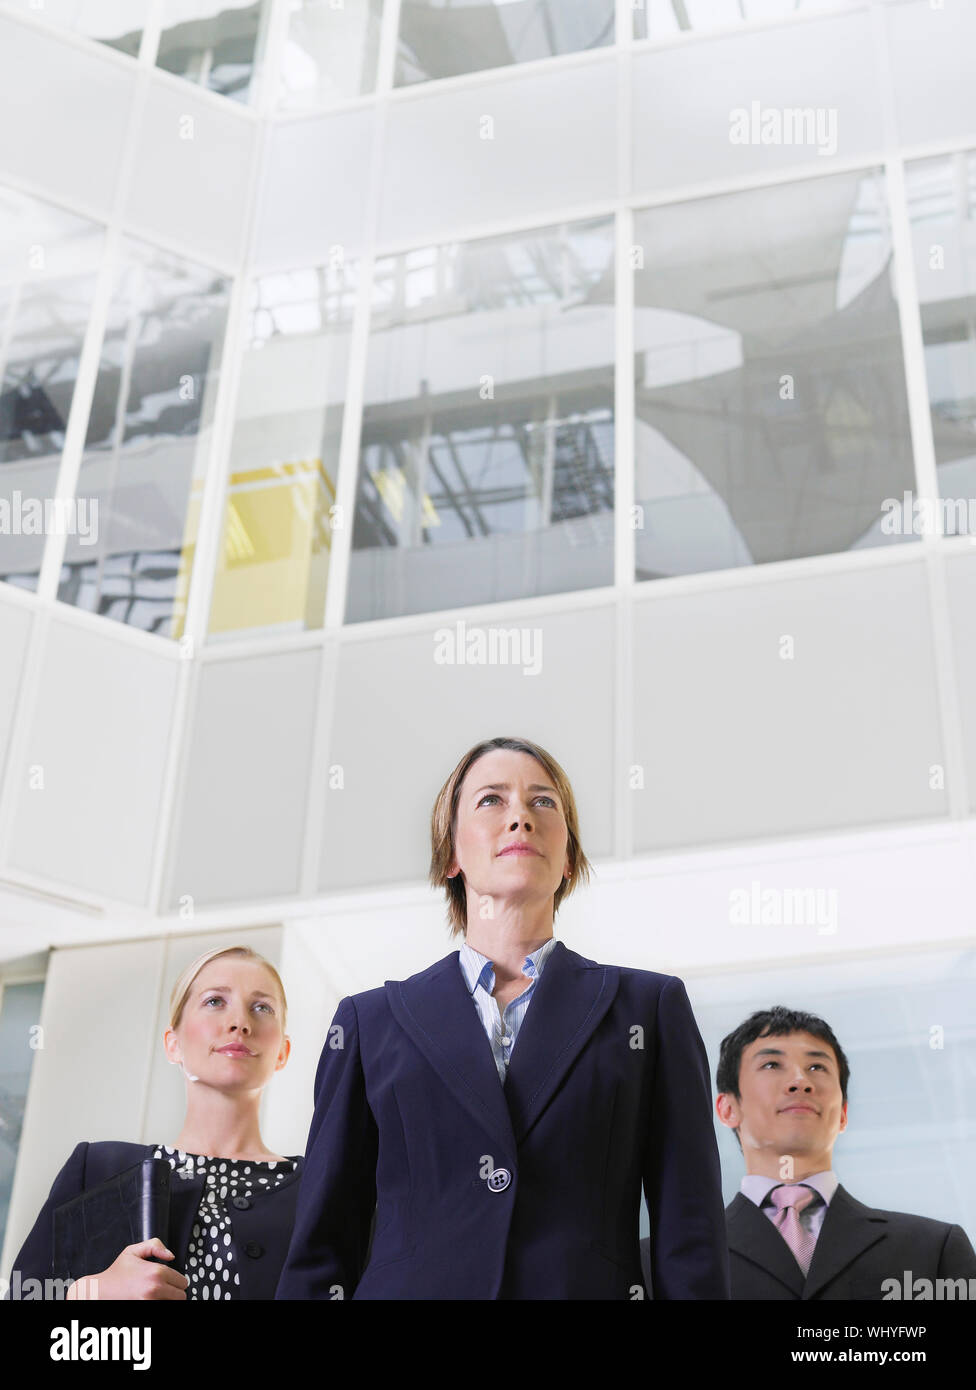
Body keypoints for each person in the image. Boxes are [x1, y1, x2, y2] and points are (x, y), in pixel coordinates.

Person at [276, 735, 729, 1300]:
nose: (520, 817)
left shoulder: (648, 1009)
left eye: (543, 802)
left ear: (568, 859)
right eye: (492, 800)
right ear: (450, 856)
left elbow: (690, 1233)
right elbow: (323, 1244)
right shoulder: (369, 1024)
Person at [9, 945, 301, 1300]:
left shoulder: (321, 1188)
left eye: (261, 1007)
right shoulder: (97, 1169)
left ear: (283, 1053)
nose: (240, 1022)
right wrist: (91, 1293)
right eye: (214, 1002)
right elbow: (24, 1294)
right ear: (173, 1044)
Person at [712, 1006, 976, 1299]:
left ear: (843, 1114)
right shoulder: (663, 1259)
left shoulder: (934, 1250)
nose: (800, 1081)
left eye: (817, 1067)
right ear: (727, 1108)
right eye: (772, 1065)